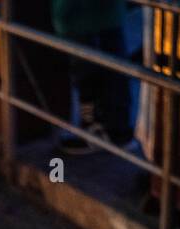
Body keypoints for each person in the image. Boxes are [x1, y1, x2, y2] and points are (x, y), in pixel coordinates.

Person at [52, 0, 133, 155]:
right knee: (96, 72)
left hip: (86, 16)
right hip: (94, 15)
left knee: (90, 75)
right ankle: (108, 130)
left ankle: (103, 131)